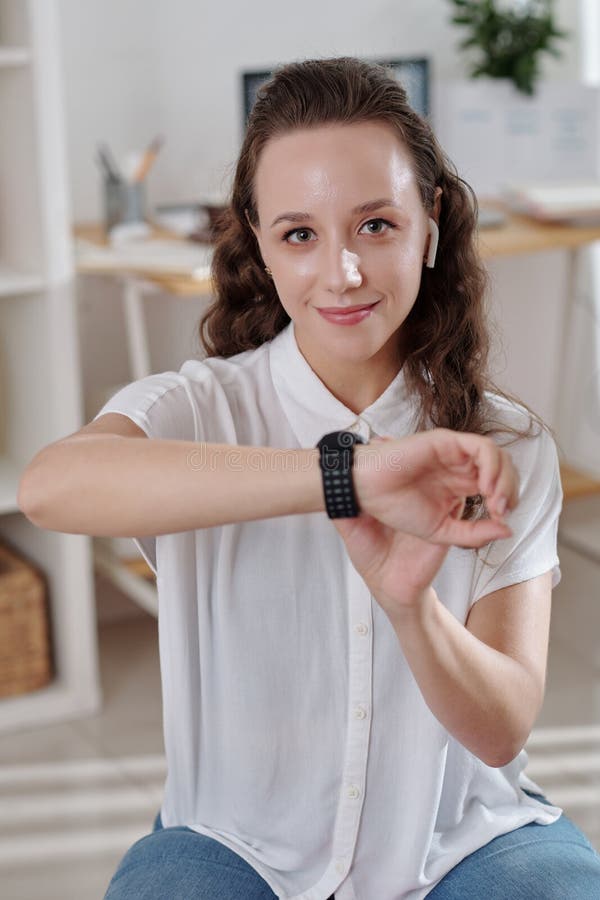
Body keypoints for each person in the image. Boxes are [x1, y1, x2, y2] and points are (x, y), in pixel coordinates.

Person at [18, 56, 600, 900]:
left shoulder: (507, 446)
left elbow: (502, 731)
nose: (344, 273)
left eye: (376, 225)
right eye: (300, 234)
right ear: (258, 238)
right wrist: (347, 477)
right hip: (231, 838)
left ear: (429, 221)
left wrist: (412, 612)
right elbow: (51, 487)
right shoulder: (197, 409)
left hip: (460, 840)